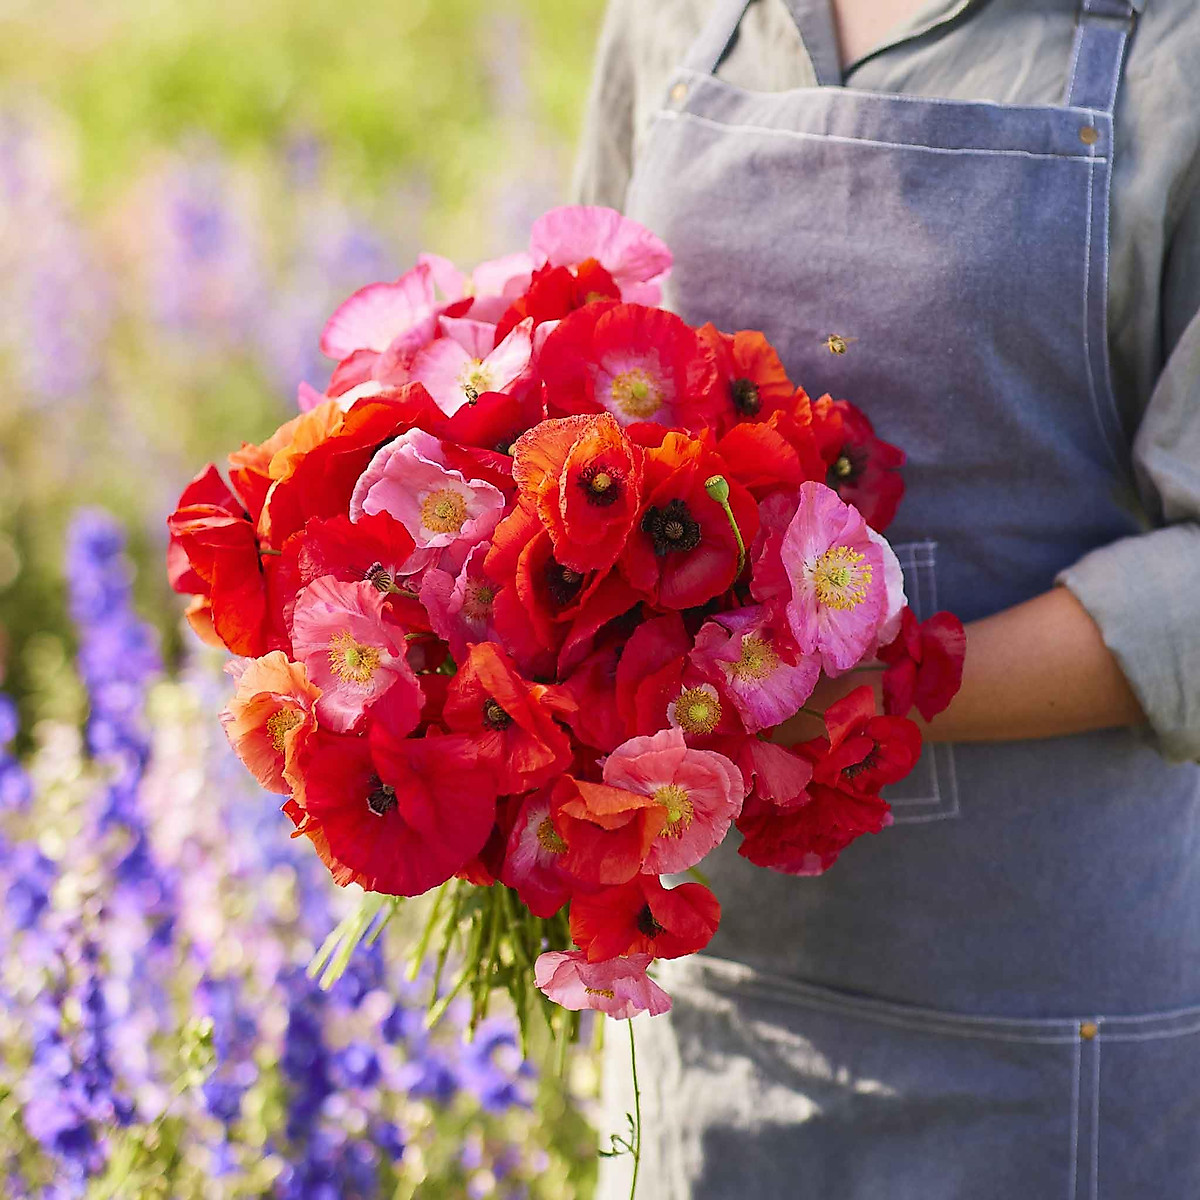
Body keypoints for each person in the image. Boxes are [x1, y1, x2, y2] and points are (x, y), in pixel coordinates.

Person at [572, 1, 1200, 1196]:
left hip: (1042, 1026)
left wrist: (857, 697)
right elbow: (576, 378)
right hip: (708, 993)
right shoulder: (682, 16)